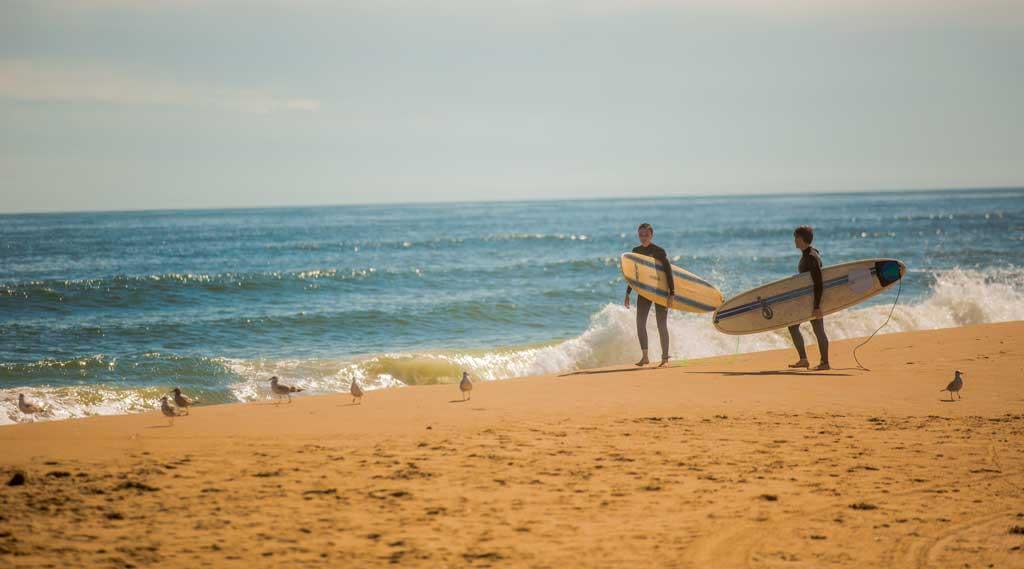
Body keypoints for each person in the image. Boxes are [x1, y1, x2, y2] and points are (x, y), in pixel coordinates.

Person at [624, 223, 675, 367]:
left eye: (646, 234)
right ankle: (645, 357)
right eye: (641, 234)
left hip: (660, 291)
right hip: (644, 291)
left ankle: (665, 359)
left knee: (661, 324)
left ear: (651, 235)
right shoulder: (636, 251)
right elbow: (634, 276)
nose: (643, 237)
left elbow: (668, 272)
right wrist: (628, 293)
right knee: (640, 323)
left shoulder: (659, 251)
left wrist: (672, 293)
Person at [788, 225, 830, 371]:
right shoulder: (809, 254)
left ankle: (824, 363)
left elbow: (818, 283)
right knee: (797, 327)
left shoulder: (811, 257)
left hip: (813, 300)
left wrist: (817, 306)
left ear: (800, 239)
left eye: (795, 238)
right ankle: (805, 360)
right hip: (808, 300)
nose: (794, 240)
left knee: (816, 329)